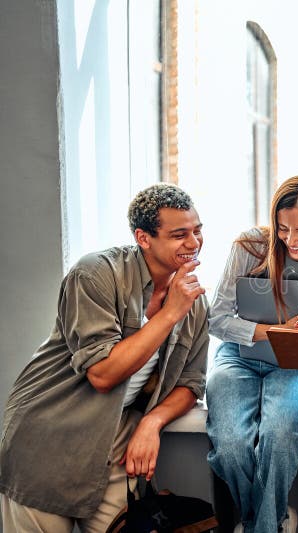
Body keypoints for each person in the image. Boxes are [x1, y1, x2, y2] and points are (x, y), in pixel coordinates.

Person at [0, 184, 209, 533]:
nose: (194, 242)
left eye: (197, 230)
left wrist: (152, 422)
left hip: (117, 443)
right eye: (179, 235)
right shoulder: (95, 274)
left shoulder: (194, 300)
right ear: (143, 238)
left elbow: (191, 383)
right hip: (51, 435)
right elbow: (102, 374)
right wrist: (170, 313)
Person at [205, 175, 298, 533]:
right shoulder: (250, 246)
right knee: (230, 444)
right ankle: (268, 524)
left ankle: (257, 526)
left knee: (281, 434)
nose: (291, 240)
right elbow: (217, 319)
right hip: (239, 357)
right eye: (283, 228)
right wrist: (274, 332)